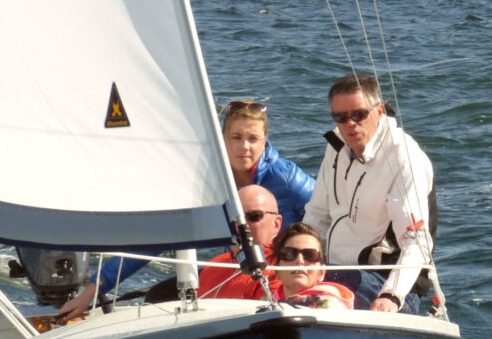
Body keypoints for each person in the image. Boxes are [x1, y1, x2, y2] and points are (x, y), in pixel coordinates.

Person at [56, 100, 313, 320]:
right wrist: (92, 291)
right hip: (237, 271)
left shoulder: (288, 180)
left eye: (253, 138)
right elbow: (158, 237)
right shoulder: (206, 182)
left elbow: (327, 212)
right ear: (222, 140)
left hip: (283, 275)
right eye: (236, 137)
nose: (245, 147)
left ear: (264, 141)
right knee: (157, 298)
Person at [303, 72, 435, 314]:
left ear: (380, 111)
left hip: (385, 283)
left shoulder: (404, 158)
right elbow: (317, 215)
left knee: (315, 302)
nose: (350, 124)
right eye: (340, 118)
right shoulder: (335, 149)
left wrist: (391, 295)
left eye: (359, 115)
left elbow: (417, 240)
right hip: (333, 271)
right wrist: (295, 262)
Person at [197, 185, 282, 300]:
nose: (241, 225)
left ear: (276, 224)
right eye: (234, 218)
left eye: (253, 216)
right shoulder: (213, 265)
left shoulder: (283, 269)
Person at [271, 224, 354, 310]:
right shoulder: (265, 304)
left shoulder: (335, 306)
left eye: (310, 254)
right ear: (276, 271)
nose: (300, 261)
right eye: (289, 254)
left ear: (322, 273)